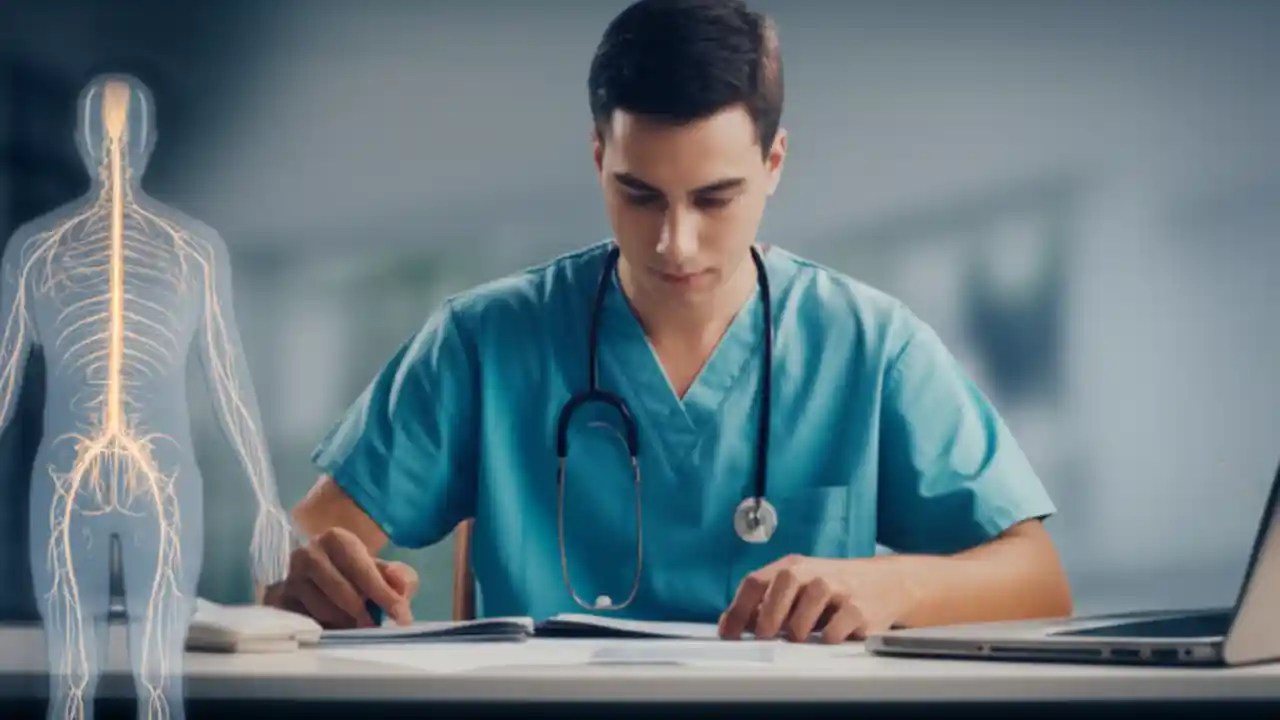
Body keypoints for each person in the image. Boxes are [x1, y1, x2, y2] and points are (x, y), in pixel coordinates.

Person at [262, 0, 1072, 644]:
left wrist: (892, 585)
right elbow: (301, 548)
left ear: (774, 164)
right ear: (596, 160)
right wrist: (302, 578)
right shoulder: (484, 342)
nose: (671, 243)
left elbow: (1040, 582)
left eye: (713, 199)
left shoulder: (871, 347)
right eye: (638, 194)